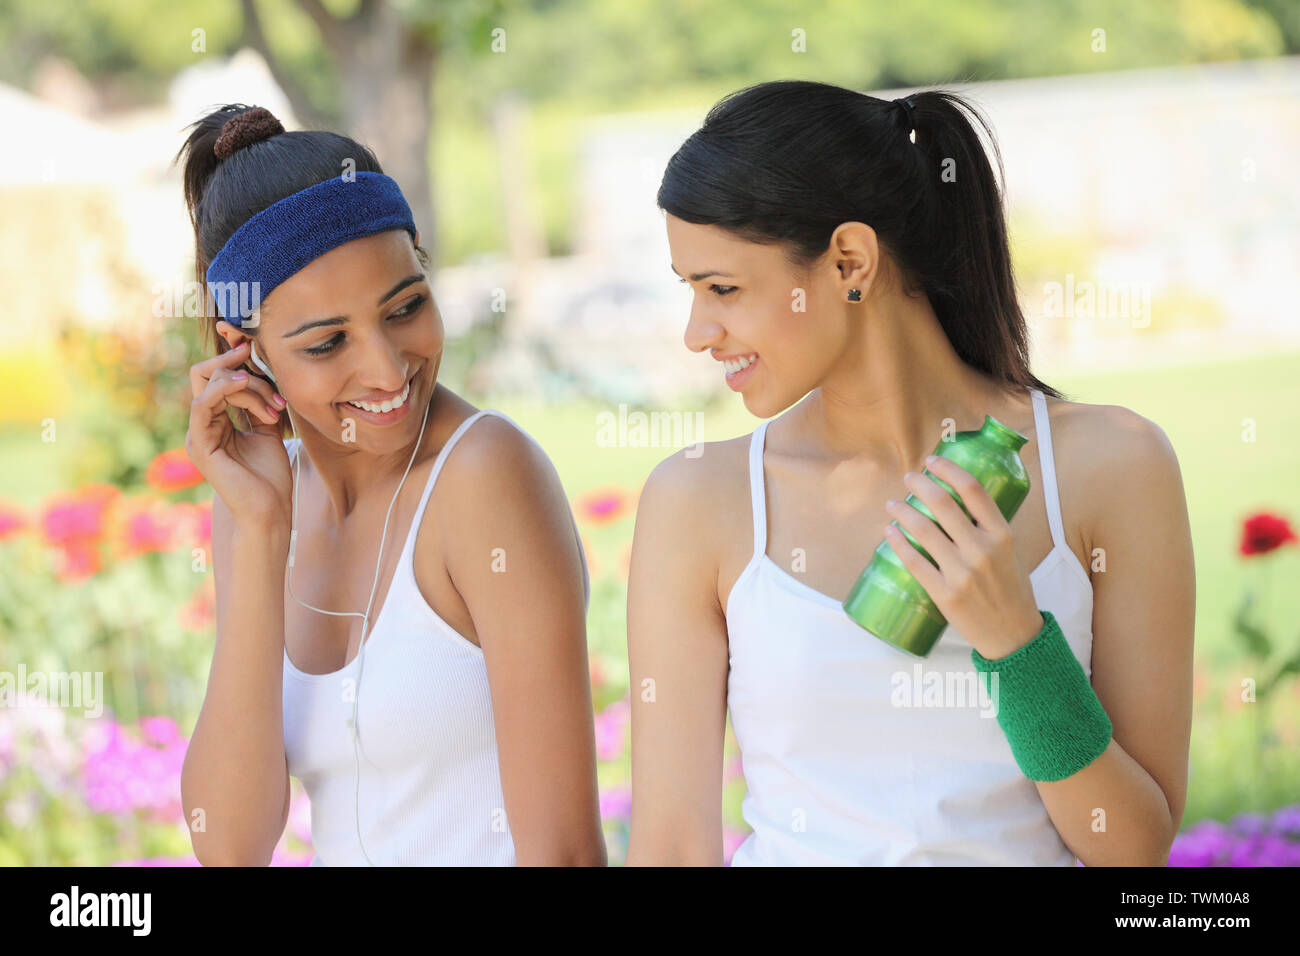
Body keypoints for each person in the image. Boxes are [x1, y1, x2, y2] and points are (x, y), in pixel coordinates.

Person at [625, 81, 1194, 865]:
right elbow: (672, 849)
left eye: (723, 289)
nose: (697, 333)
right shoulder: (700, 501)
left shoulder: (1112, 468)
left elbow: (1134, 851)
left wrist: (1017, 646)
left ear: (849, 261)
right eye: (690, 290)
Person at [176, 105, 605, 866]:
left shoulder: (485, 476)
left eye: (406, 307)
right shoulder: (256, 508)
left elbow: (564, 853)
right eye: (327, 342)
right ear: (243, 348)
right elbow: (229, 845)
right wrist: (262, 528)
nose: (386, 370)